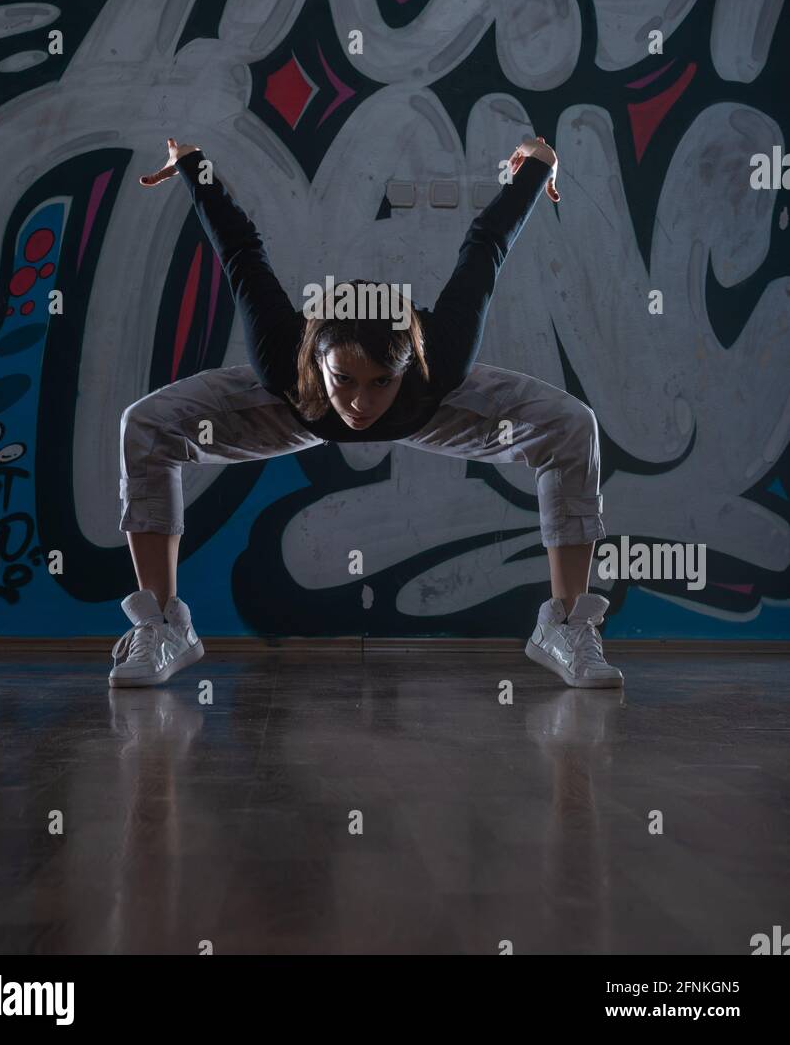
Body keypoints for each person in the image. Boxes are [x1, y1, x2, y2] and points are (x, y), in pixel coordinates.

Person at [110, 136, 622, 691]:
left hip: (432, 411)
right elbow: (239, 248)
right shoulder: (280, 354)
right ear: (317, 361)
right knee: (148, 423)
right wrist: (191, 164)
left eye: (381, 382)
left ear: (408, 365)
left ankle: (566, 626)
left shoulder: (442, 355)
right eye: (345, 380)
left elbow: (487, 244)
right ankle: (164, 626)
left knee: (570, 425)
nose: (360, 403)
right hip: (292, 408)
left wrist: (535, 169)